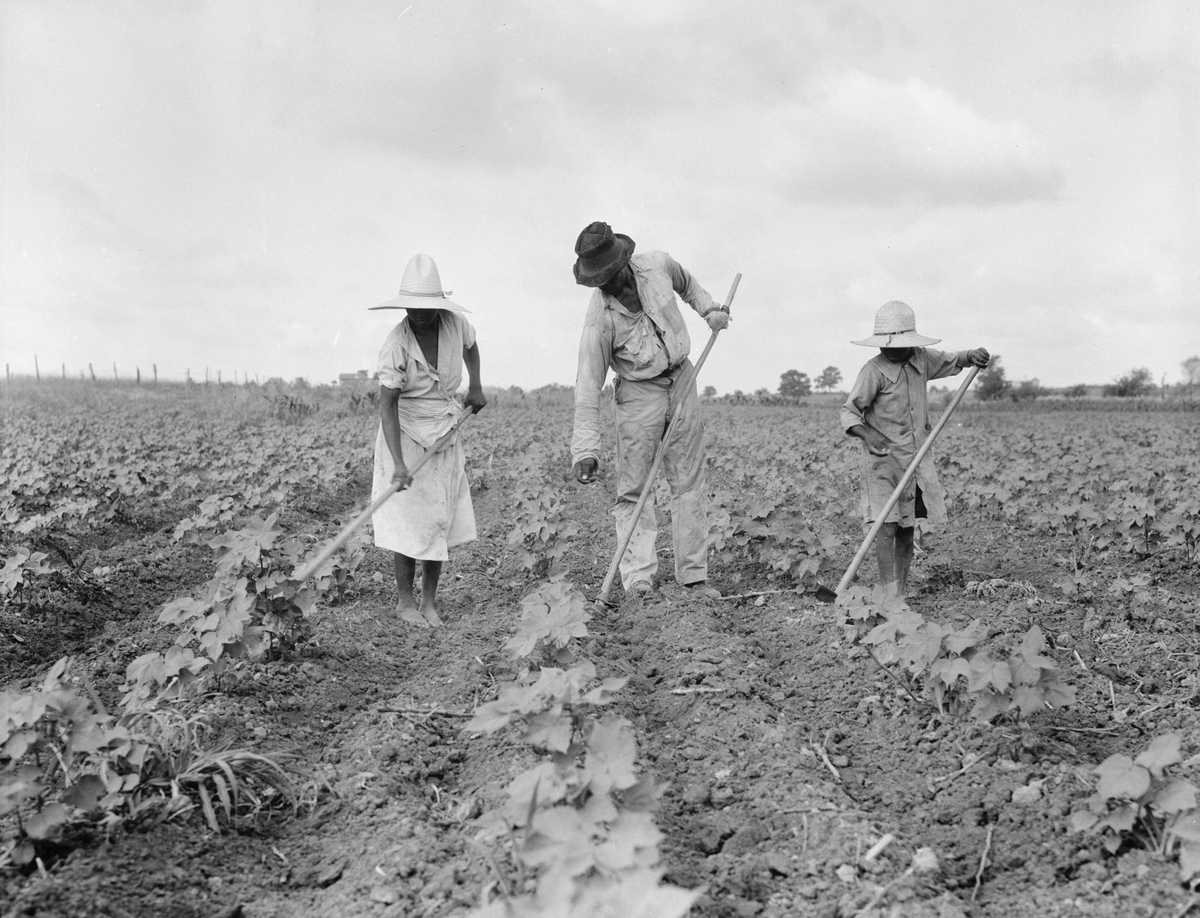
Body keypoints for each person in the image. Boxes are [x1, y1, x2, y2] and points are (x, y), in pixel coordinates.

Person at [569, 221, 730, 599]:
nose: (606, 284)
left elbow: (688, 285)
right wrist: (586, 449)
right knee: (634, 488)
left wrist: (709, 310)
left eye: (609, 274)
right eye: (598, 280)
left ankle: (694, 576)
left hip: (682, 379)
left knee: (688, 479)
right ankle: (639, 578)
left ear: (623, 262)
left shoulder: (658, 266)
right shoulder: (599, 320)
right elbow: (588, 385)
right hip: (638, 393)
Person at [840, 300, 989, 598]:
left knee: (907, 528)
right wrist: (869, 436)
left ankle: (901, 594)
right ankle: (887, 590)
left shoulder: (921, 359)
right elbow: (849, 413)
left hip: (915, 462)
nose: (891, 350)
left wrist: (971, 355)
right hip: (882, 463)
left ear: (911, 342)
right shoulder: (873, 372)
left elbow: (953, 359)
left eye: (899, 345)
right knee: (885, 527)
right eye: (886, 345)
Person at [369, 253, 486, 626]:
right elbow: (387, 405)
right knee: (407, 522)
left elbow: (471, 347)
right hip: (403, 433)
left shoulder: (455, 324)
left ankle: (429, 602)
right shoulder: (396, 345)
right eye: (414, 308)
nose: (420, 314)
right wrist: (399, 463)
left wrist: (477, 386)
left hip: (444, 430)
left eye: (427, 307)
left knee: (438, 518)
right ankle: (405, 602)